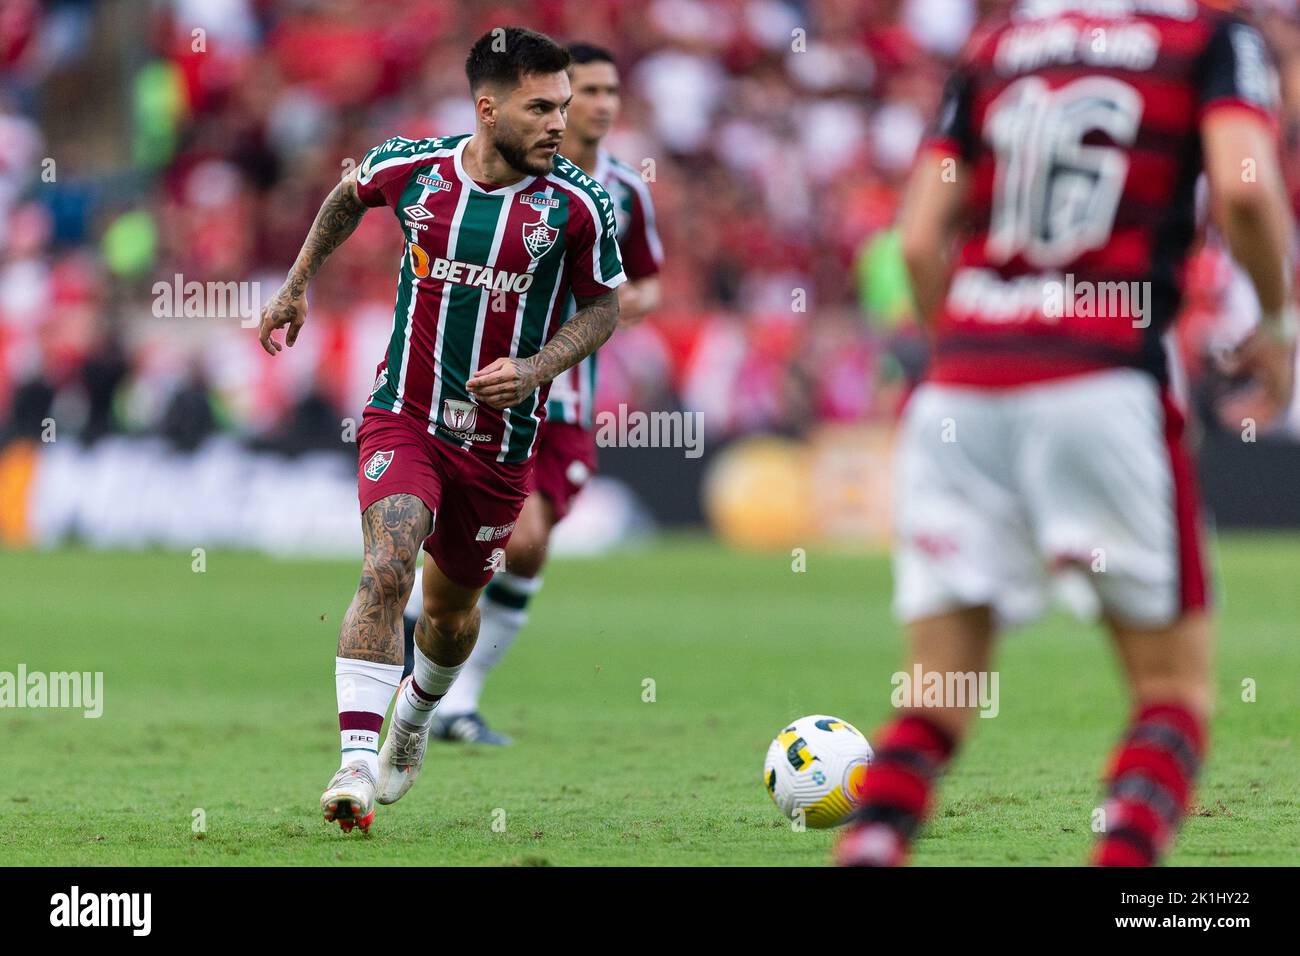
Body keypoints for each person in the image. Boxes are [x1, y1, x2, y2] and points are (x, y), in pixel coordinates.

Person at [837, 0, 1297, 866]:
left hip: (961, 384)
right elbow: (1242, 185)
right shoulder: (1209, 38)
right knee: (1172, 692)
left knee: (936, 698)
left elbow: (920, 237)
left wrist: (975, 353)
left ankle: (870, 846)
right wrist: (1278, 324)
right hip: (1103, 377)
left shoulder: (998, 46)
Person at [257, 26, 626, 833]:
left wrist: (535, 369)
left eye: (564, 106)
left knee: (453, 613)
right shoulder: (414, 168)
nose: (559, 123)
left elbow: (605, 306)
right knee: (386, 563)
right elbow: (348, 196)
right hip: (406, 418)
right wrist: (295, 287)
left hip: (498, 446)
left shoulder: (575, 205)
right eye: (541, 108)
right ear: (487, 109)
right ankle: (354, 764)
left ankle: (416, 719)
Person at [398, 41, 664, 745]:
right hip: (478, 391)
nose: (600, 106)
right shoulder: (503, 176)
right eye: (587, 93)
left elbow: (643, 281)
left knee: (527, 546)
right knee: (492, 541)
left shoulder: (619, 195)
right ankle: (433, 671)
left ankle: (451, 682)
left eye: (610, 93)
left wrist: (618, 304)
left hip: (565, 394)